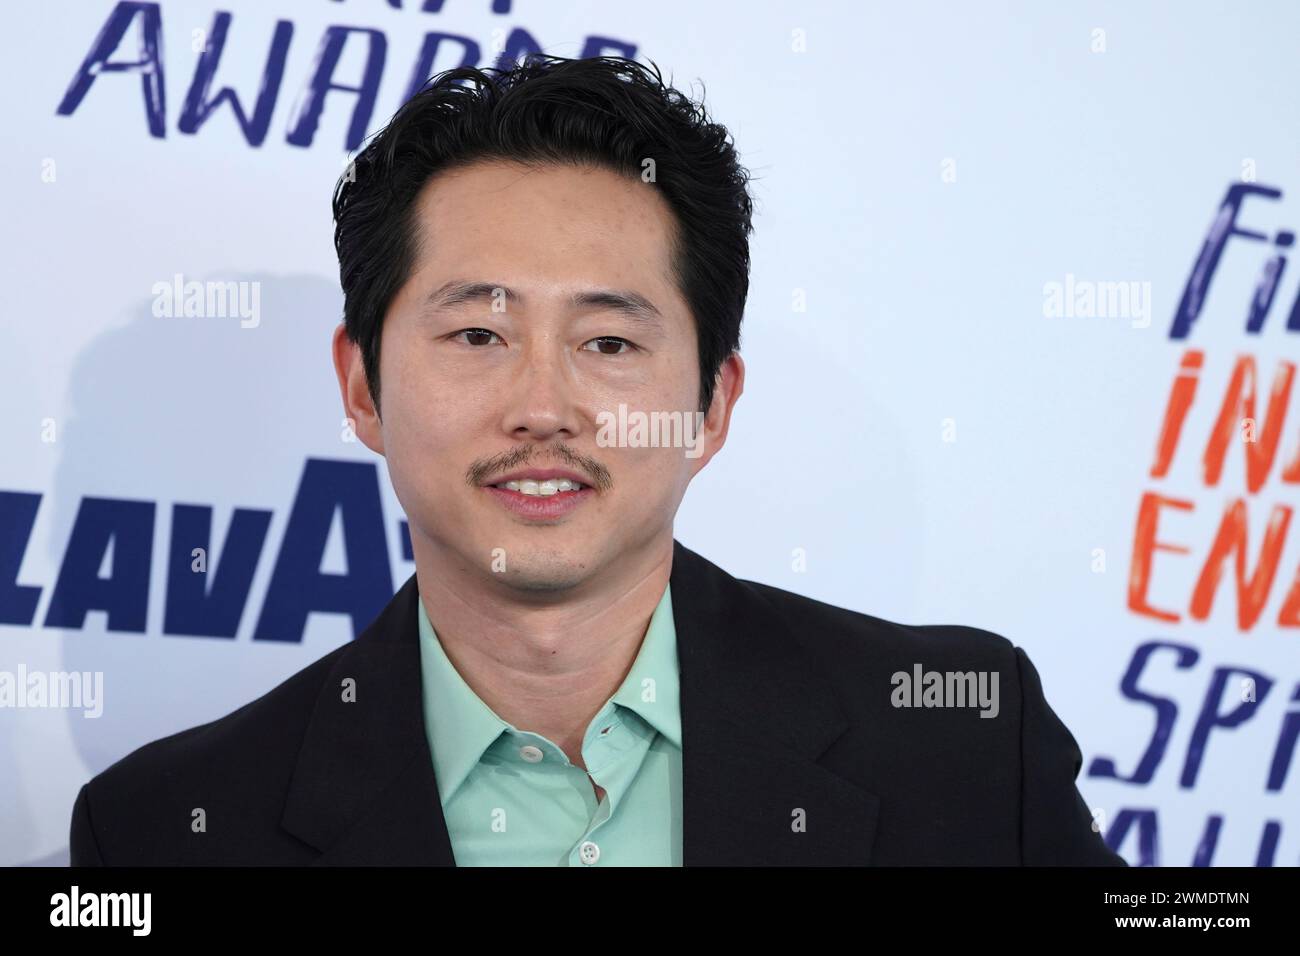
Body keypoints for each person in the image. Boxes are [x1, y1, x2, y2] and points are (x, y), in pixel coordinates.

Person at [69, 54, 1124, 866]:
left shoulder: (960, 736)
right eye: (477, 334)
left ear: (712, 404)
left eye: (609, 343)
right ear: (361, 388)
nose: (542, 409)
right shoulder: (167, 828)